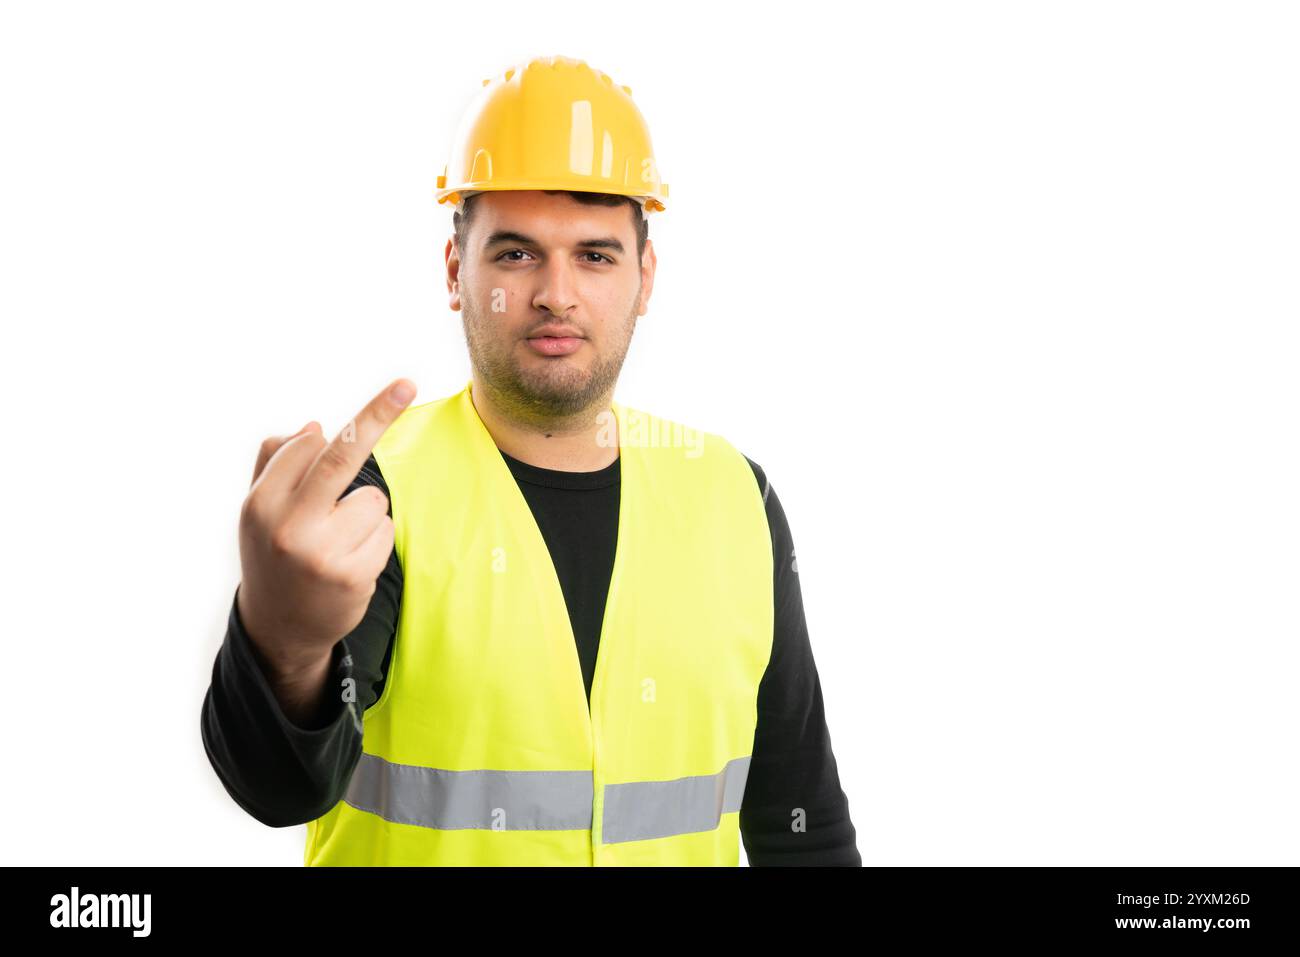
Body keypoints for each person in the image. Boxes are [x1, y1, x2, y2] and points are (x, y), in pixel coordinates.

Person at [201, 54, 860, 866]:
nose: (555, 292)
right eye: (515, 254)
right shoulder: (380, 495)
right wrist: (287, 645)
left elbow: (804, 825)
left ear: (645, 277)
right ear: (456, 272)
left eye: (595, 255)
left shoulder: (736, 498)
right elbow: (283, 785)